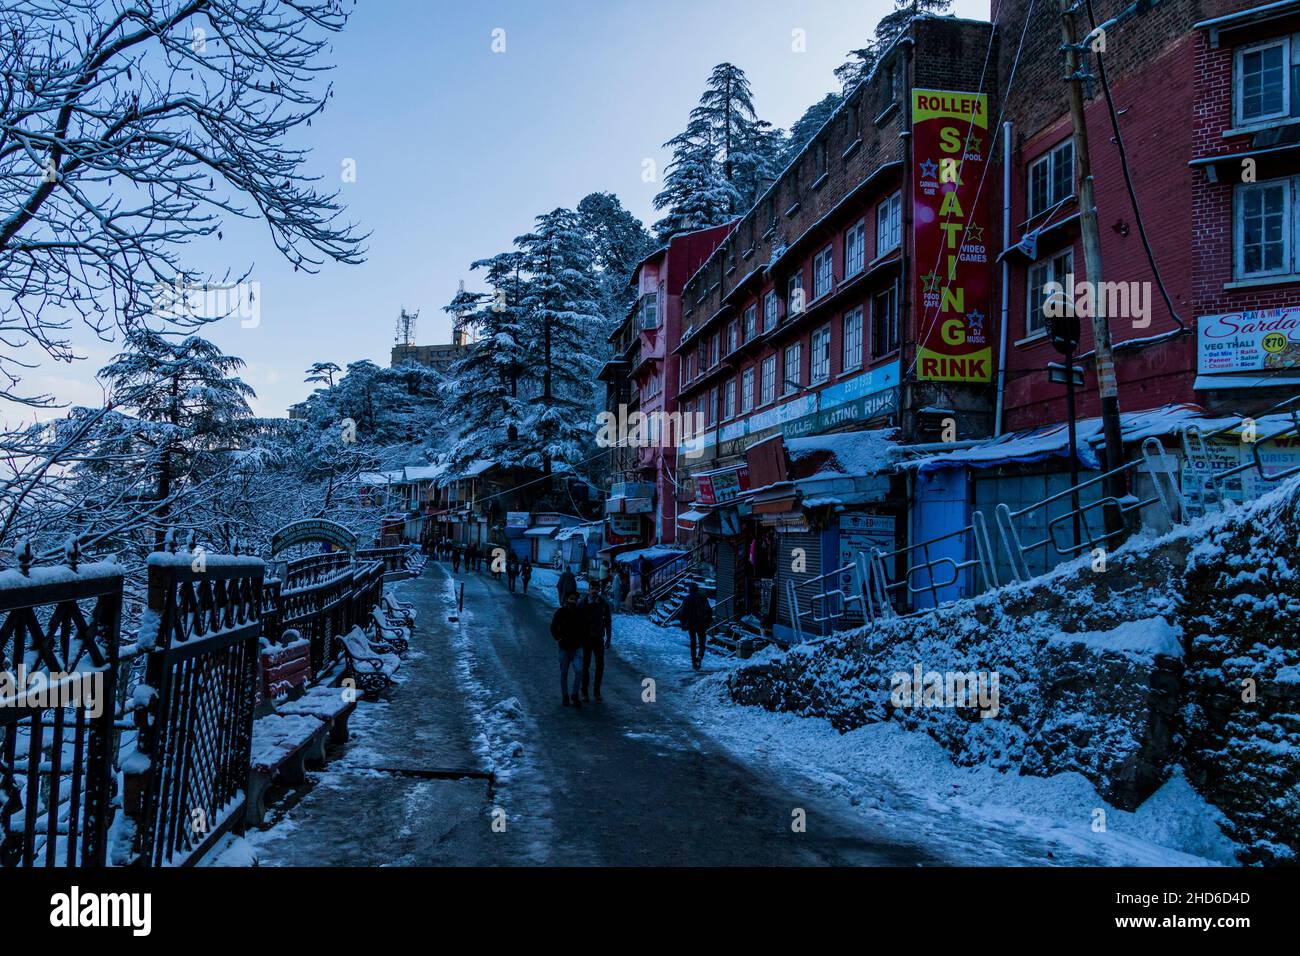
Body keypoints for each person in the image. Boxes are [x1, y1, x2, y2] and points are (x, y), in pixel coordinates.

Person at [550, 591, 586, 707]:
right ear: (566, 600)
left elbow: (584, 627)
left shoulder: (580, 612)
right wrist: (559, 639)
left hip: (577, 648)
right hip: (564, 648)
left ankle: (575, 694)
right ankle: (565, 695)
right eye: (571, 599)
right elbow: (553, 627)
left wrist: (582, 640)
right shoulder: (561, 612)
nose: (573, 601)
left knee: (579, 671)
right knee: (564, 673)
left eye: (575, 599)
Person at [581, 585, 612, 702]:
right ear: (588, 590)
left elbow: (608, 621)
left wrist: (608, 638)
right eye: (592, 588)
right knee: (585, 665)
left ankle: (596, 691)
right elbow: (578, 620)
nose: (594, 591)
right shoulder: (583, 603)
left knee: (600, 665)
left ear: (599, 590)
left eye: (596, 589)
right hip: (586, 638)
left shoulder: (603, 603)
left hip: (598, 638)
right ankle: (584, 691)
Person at [675, 581, 713, 670]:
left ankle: (693, 659)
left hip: (692, 623)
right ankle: (699, 657)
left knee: (693, 641)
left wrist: (683, 623)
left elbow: (683, 612)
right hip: (702, 623)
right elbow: (709, 610)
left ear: (690, 590)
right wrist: (708, 621)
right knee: (702, 641)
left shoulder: (687, 599)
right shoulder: (703, 597)